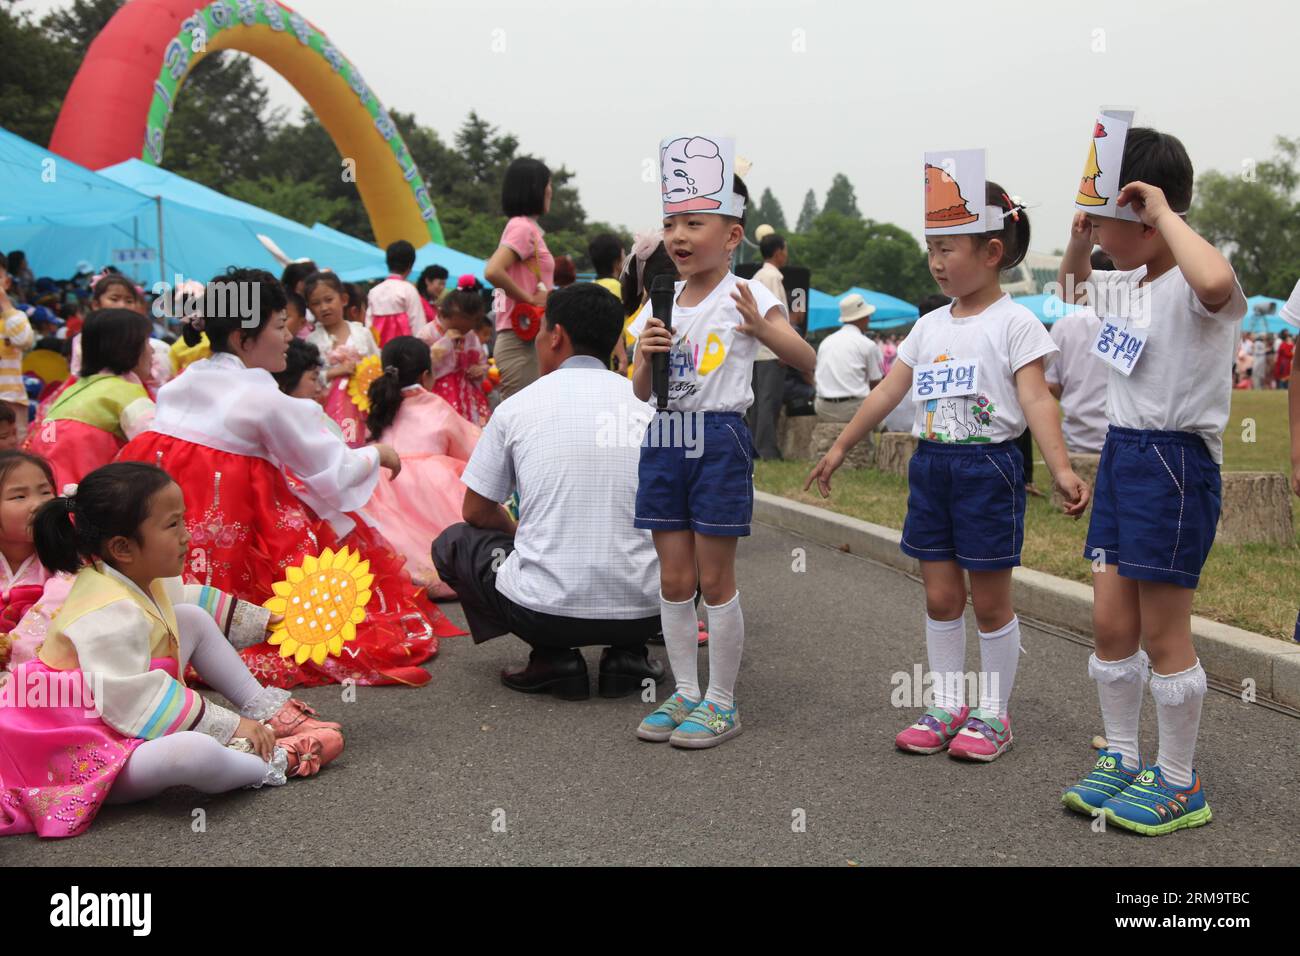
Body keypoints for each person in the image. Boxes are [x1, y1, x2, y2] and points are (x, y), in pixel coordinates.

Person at [807, 180, 1089, 763]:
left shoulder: (1016, 324)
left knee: (988, 602)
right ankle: (947, 704)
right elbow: (889, 389)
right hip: (931, 468)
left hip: (989, 469)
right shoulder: (929, 326)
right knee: (940, 597)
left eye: (948, 249)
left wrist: (1059, 467)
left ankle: (994, 714)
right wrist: (840, 446)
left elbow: (1037, 400)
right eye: (931, 248)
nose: (936, 262)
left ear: (991, 252)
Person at [118, 268, 458, 689]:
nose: (289, 338)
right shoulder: (263, 398)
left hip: (173, 521)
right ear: (244, 339)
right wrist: (376, 455)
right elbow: (329, 468)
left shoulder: (183, 382)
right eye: (280, 327)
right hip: (232, 516)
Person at [1056, 127, 1247, 835]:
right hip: (1123, 458)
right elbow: (1073, 289)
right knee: (1111, 623)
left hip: (1174, 465)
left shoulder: (1195, 287)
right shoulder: (1125, 285)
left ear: (1144, 208)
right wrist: (1082, 236)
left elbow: (1219, 284)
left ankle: (1178, 780)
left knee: (1165, 631)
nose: (1100, 237)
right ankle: (1125, 757)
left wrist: (1166, 215)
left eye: (1108, 220)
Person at [0, 463, 345, 839]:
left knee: (188, 617)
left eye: (182, 521)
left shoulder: (128, 573)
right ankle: (272, 761)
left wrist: (270, 621)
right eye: (172, 525)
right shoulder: (107, 611)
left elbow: (188, 599)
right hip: (78, 747)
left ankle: (265, 709)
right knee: (192, 753)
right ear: (122, 547)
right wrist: (230, 727)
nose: (186, 535)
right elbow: (137, 700)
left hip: (109, 713)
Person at [629, 164, 815, 749]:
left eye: (693, 222)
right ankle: (685, 691)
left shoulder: (748, 293)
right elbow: (639, 389)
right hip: (663, 437)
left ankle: (722, 701)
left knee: (715, 577)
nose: (678, 236)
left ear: (732, 236)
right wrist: (643, 358)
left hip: (718, 438)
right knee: (674, 576)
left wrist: (764, 328)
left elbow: (805, 358)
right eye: (670, 224)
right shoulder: (660, 299)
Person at [433, 284, 665, 699]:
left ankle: (551, 657)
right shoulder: (647, 407)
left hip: (543, 612)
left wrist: (518, 532)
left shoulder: (515, 407)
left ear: (556, 335)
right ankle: (629, 656)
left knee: (454, 542)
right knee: (698, 533)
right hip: (647, 611)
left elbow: (476, 510)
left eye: (540, 330)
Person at [364, 336, 480, 600]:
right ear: (427, 375)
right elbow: (473, 449)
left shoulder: (380, 407)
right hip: (434, 493)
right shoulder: (435, 406)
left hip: (383, 490)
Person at [23, 309, 155, 492]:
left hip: (51, 496)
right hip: (91, 500)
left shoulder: (73, 390)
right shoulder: (126, 392)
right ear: (129, 347)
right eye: (147, 342)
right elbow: (154, 446)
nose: (153, 350)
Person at [485, 158, 555, 399]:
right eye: (547, 184)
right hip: (520, 341)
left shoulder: (527, 228)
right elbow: (493, 270)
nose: (550, 190)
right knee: (524, 423)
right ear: (535, 188)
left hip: (529, 338)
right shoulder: (522, 228)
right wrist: (530, 299)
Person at [0, 451, 68, 672]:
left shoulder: (68, 564)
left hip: (35, 677)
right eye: (19, 496)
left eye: (45, 492)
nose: (38, 505)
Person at [1045, 249, 1113, 454]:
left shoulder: (1063, 325)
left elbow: (1051, 383)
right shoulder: (1130, 320)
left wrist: (1075, 395)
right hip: (1125, 438)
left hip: (1078, 438)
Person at [306, 271, 380, 447]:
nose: (324, 307)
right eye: (316, 303)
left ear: (344, 299)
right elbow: (309, 379)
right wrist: (334, 372)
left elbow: (377, 365)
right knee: (334, 442)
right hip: (327, 407)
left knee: (362, 442)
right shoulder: (312, 341)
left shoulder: (362, 333)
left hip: (362, 404)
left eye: (329, 300)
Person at [746, 233, 794, 459]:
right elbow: (775, 316)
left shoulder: (757, 276)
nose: (786, 254)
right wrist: (783, 347)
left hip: (758, 349)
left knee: (757, 402)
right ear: (778, 252)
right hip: (769, 350)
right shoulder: (772, 277)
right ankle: (765, 448)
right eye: (785, 250)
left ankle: (756, 446)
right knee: (768, 401)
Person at [418, 288, 491, 426]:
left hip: (468, 396)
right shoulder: (427, 334)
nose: (467, 329)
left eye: (472, 323)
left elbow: (482, 362)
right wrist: (445, 343)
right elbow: (420, 365)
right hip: (437, 394)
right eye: (462, 321)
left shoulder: (471, 336)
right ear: (442, 314)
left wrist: (479, 369)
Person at [814, 293, 883, 423]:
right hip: (852, 408)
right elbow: (876, 383)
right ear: (863, 317)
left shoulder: (826, 341)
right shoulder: (867, 344)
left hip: (823, 407)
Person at [365, 242, 426, 345]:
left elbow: (369, 324)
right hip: (404, 351)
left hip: (380, 351)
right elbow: (418, 325)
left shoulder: (374, 291)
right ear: (410, 265)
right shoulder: (409, 289)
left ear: (387, 262)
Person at [0, 264, 34, 442]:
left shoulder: (16, 317)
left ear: (6, 283)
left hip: (11, 397)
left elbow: (24, 340)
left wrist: (5, 304)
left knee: (14, 446)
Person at [588, 233, 628, 371]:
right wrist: (622, 356)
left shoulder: (592, 285)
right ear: (616, 262)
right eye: (623, 255)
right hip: (612, 357)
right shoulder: (614, 286)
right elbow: (612, 322)